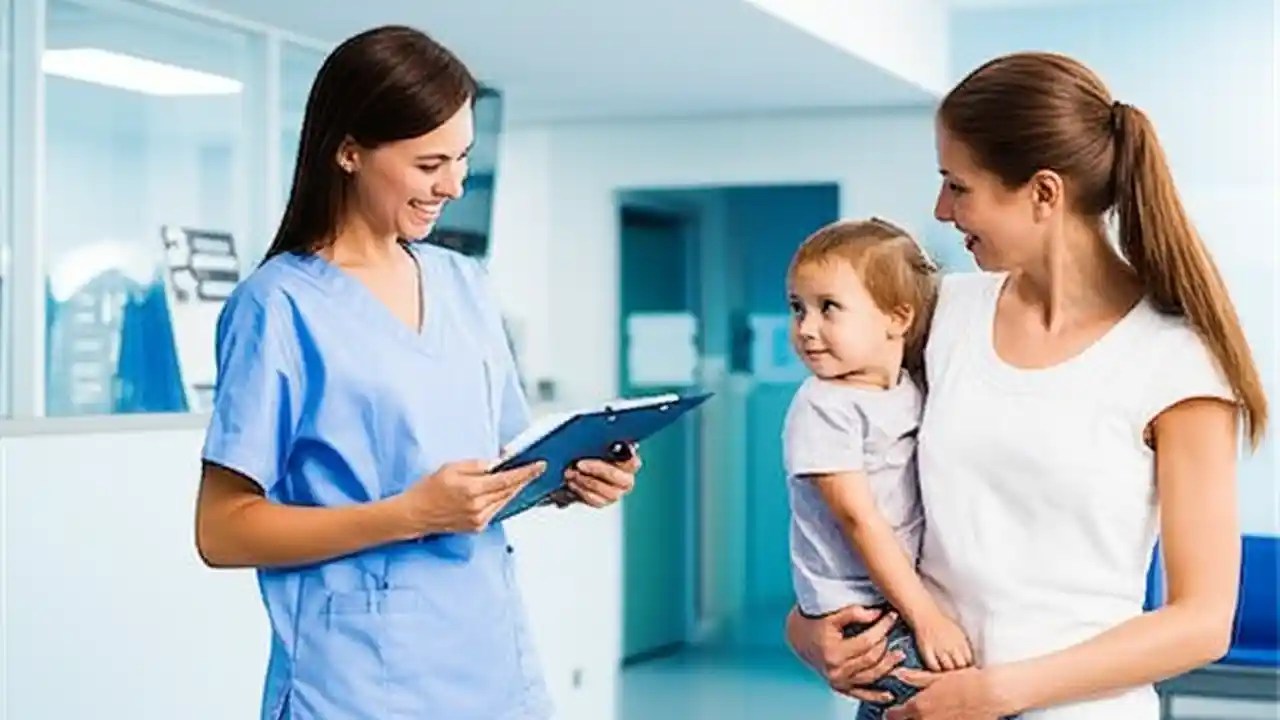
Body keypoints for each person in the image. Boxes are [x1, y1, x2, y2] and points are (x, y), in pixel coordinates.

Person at [784, 51, 1267, 720]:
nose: (942, 209)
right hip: (914, 702)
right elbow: (848, 474)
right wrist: (807, 628)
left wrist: (995, 693)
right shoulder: (944, 315)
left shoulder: (1176, 365)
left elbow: (1201, 621)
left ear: (1043, 193)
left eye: (958, 186)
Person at [193, 25, 640, 720]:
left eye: (462, 158)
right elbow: (222, 531)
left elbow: (490, 477)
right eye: (431, 163)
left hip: (491, 660)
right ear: (348, 151)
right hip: (355, 681)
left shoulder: (465, 285)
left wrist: (566, 483)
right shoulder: (277, 306)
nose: (455, 185)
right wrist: (407, 515)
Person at [784, 218, 979, 719]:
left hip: (893, 599)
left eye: (829, 308)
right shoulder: (824, 406)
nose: (806, 328)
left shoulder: (906, 390)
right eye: (797, 308)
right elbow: (858, 519)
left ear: (898, 318)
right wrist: (927, 618)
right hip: (859, 611)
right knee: (946, 700)